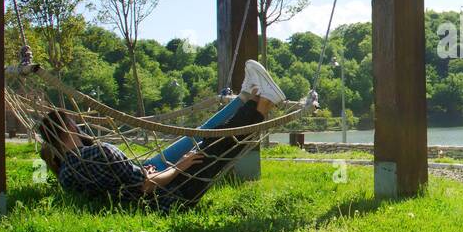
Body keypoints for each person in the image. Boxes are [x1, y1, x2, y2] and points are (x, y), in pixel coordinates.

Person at [38, 60, 316, 211]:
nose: (80, 127)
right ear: (69, 129)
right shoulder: (98, 152)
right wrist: (178, 166)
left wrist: (150, 172)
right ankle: (263, 101)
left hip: (147, 195)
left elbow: (127, 184)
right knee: (215, 144)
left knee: (210, 140)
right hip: (168, 197)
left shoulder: (65, 173)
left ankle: (250, 97)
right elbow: (145, 186)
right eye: (76, 123)